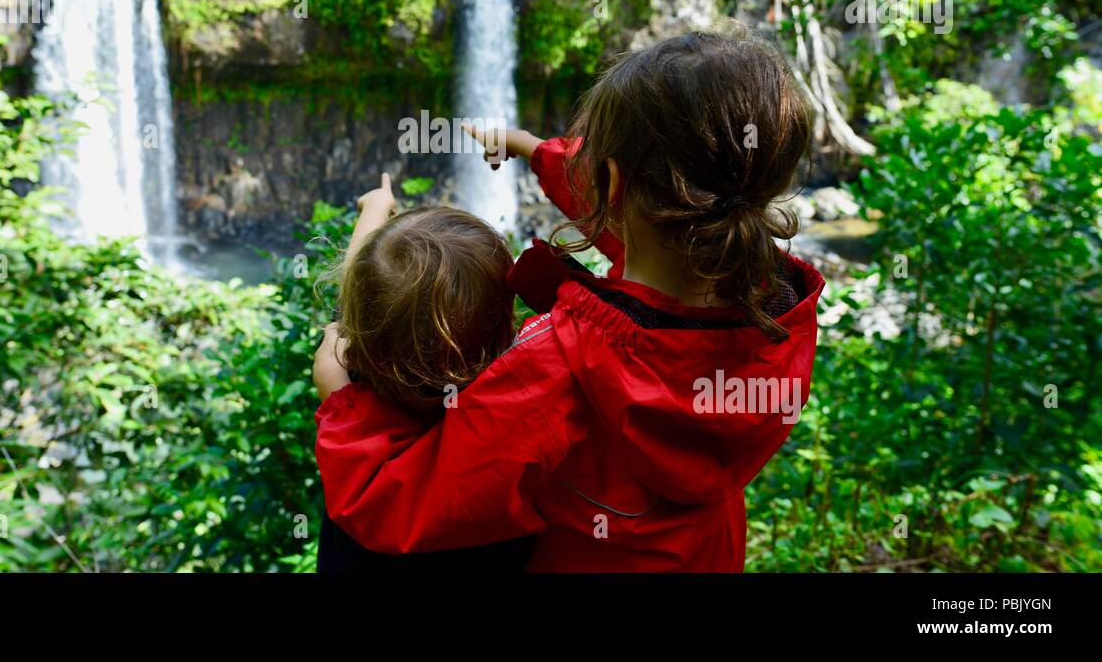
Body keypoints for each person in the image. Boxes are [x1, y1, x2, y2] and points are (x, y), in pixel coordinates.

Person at [313, 31, 827, 571]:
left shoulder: (554, 376)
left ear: (612, 182)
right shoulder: (771, 306)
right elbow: (677, 216)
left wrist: (341, 396)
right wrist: (533, 149)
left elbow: (394, 503)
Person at [313, 174, 535, 572]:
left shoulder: (356, 396)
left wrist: (335, 392)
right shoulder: (517, 412)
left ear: (362, 337)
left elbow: (355, 302)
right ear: (506, 323)